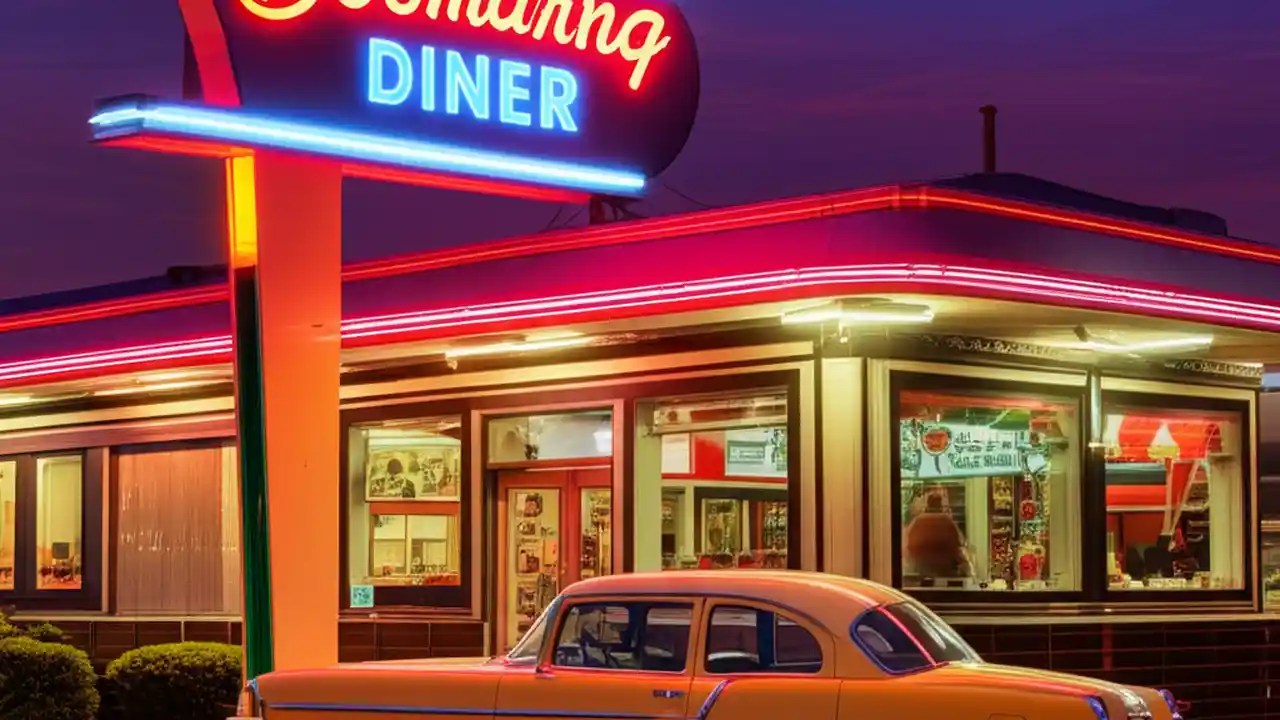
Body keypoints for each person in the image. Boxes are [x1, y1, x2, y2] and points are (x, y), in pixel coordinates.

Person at [904, 493, 971, 581]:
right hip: (946, 573)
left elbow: (909, 548)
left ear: (928, 504)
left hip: (921, 573)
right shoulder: (947, 521)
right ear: (940, 505)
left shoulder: (918, 521)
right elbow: (958, 546)